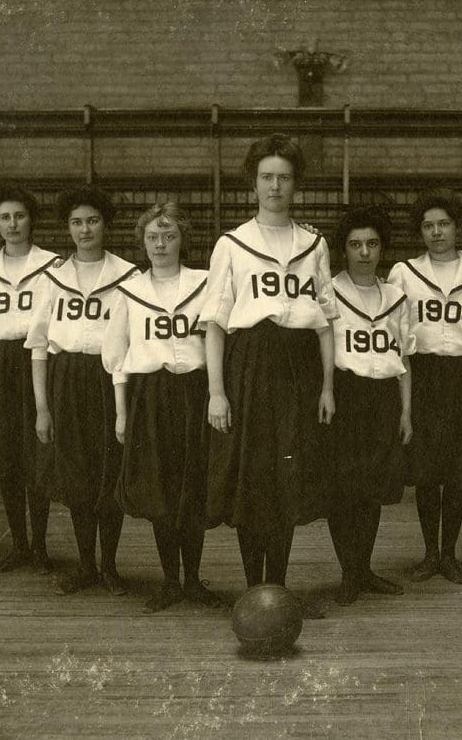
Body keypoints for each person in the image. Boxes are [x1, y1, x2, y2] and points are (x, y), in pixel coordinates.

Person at [201, 134, 337, 612]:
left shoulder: (313, 243)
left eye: (284, 177)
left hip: (299, 367)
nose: (275, 186)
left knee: (287, 480)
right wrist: (217, 392)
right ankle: (251, 588)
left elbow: (326, 321)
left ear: (296, 184)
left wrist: (327, 386)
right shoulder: (232, 244)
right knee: (254, 479)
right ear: (252, 184)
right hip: (250, 366)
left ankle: (276, 588)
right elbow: (215, 324)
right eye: (266, 177)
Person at [101, 202, 223, 613]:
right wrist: (121, 412)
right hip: (150, 397)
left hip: (195, 393)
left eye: (168, 236)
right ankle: (170, 581)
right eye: (152, 237)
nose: (160, 244)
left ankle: (194, 580)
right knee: (161, 489)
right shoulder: (130, 291)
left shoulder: (205, 283)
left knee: (193, 489)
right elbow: (117, 356)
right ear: (143, 242)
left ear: (182, 240)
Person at [25, 187, 138, 595]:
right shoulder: (52, 278)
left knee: (108, 471)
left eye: (92, 220)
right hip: (66, 378)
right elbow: (38, 345)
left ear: (105, 224)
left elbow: (132, 340)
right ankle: (85, 565)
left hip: (110, 380)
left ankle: (110, 565)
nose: (84, 229)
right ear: (67, 228)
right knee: (75, 475)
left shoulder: (127, 275)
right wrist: (42, 408)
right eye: (76, 222)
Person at [387, 192, 462, 584]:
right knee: (426, 469)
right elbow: (394, 330)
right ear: (420, 231)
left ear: (457, 227)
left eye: (444, 224)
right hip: (422, 375)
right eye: (428, 226)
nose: (436, 232)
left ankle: (450, 554)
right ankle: (429, 553)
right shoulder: (404, 272)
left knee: (456, 468)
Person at [0, 186, 58, 572]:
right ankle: (19, 544)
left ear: (31, 219)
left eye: (19, 215)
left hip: (35, 361)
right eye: (5, 217)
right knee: (5, 458)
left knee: (36, 456)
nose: (13, 224)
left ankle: (40, 546)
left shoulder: (52, 266)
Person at [327, 205, 412, 605]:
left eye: (372, 244)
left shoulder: (396, 296)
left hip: (383, 397)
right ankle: (348, 572)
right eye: (356, 244)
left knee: (374, 488)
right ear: (343, 249)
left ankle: (365, 568)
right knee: (345, 489)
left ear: (382, 248)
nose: (364, 252)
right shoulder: (329, 292)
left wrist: (406, 410)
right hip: (346, 395)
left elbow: (405, 359)